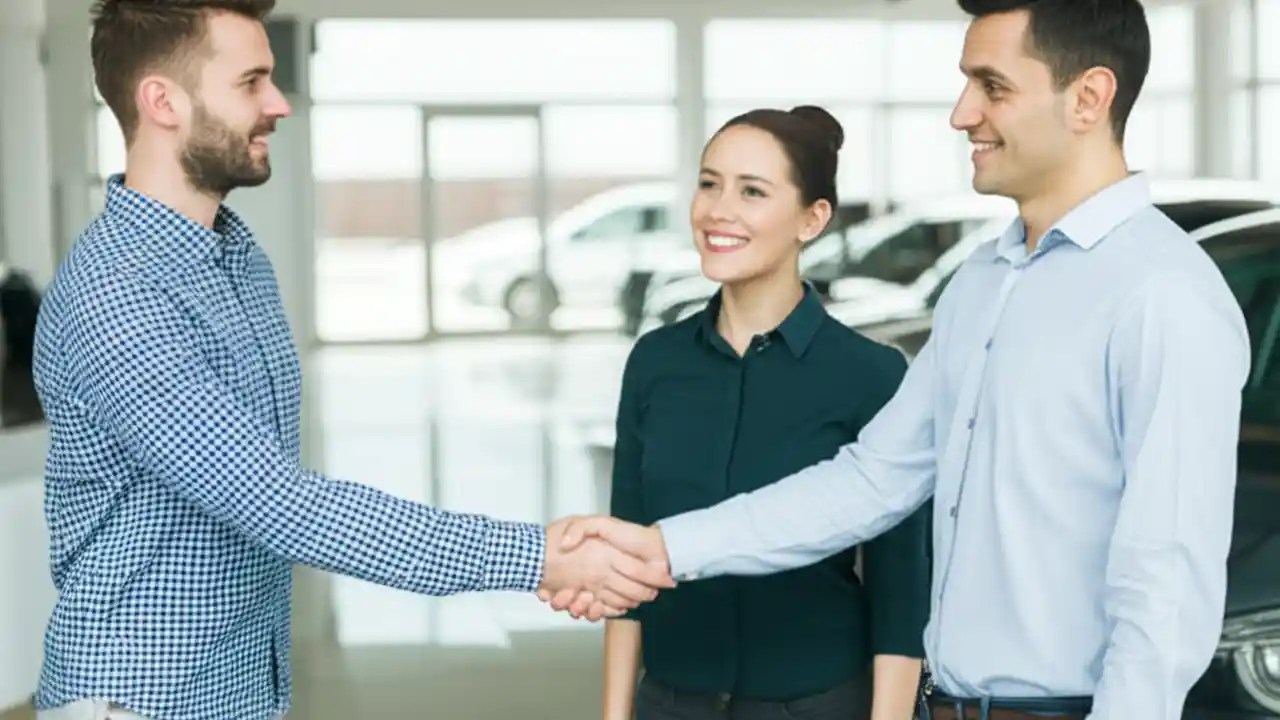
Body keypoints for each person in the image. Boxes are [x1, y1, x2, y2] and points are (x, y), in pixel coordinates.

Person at [553, 1, 1252, 718]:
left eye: (993, 86)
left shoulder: (1162, 293)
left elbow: (1164, 589)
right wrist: (663, 548)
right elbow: (870, 481)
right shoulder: (984, 281)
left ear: (1089, 98)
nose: (961, 114)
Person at [31, 2, 670, 719]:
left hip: (241, 688)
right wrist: (539, 557)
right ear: (162, 101)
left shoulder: (236, 259)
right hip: (142, 701)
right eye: (251, 83)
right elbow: (277, 502)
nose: (278, 104)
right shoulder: (116, 296)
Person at [600, 106, 932, 720]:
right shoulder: (655, 362)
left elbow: (900, 597)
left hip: (816, 704)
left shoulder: (872, 375)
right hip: (672, 702)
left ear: (813, 219)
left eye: (752, 191)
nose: (718, 210)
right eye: (709, 183)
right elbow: (627, 560)